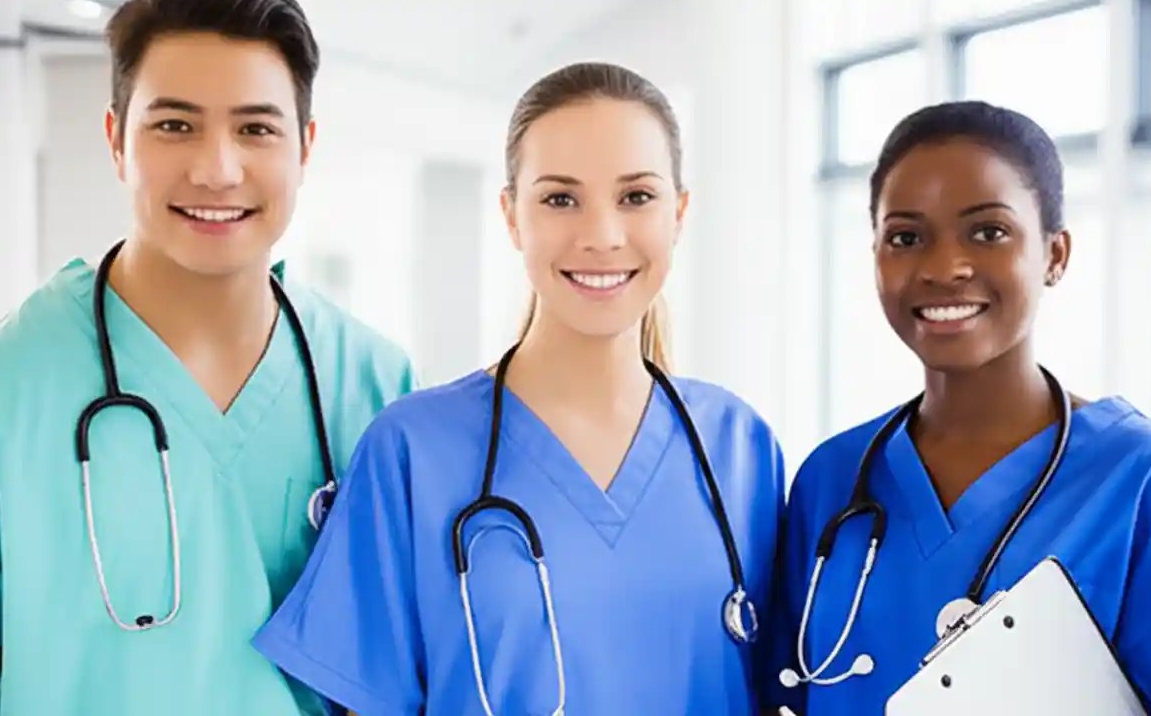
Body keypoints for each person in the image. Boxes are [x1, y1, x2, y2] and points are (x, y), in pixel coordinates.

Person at [252, 61, 786, 715]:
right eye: (561, 198)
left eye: (636, 197)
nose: (601, 236)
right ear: (511, 216)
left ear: (679, 213)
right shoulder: (413, 451)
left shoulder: (739, 447)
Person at [0, 0, 418, 713]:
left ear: (305, 146)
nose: (217, 169)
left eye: (255, 128)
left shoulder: (377, 387)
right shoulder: (4, 385)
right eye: (175, 125)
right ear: (117, 138)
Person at [762, 101, 1151, 715]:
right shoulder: (832, 480)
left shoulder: (1150, 482)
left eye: (988, 231)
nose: (945, 268)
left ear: (1055, 255)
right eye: (906, 237)